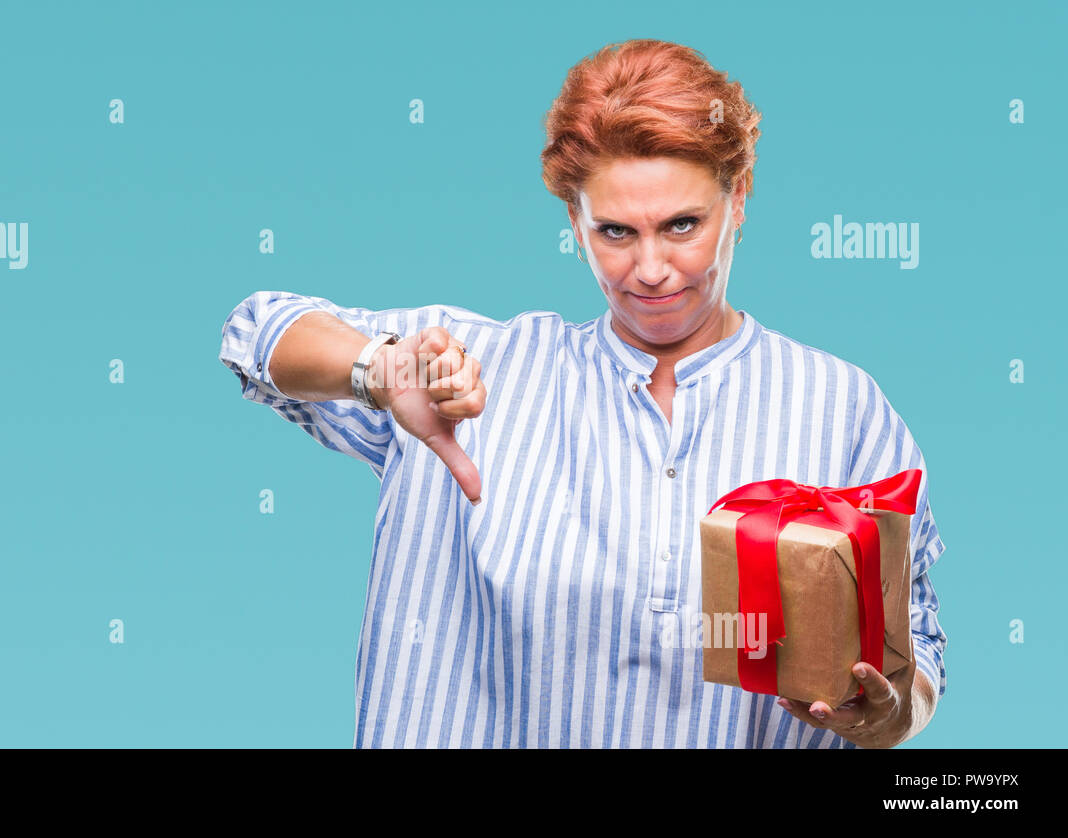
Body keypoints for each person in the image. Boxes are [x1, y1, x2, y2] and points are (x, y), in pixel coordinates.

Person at [218, 39, 946, 748]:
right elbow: (255, 335)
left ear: (740, 201)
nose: (652, 268)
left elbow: (917, 658)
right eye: (615, 232)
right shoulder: (469, 370)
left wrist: (883, 717)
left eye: (683, 226)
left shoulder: (838, 406)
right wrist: (375, 371)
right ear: (575, 222)